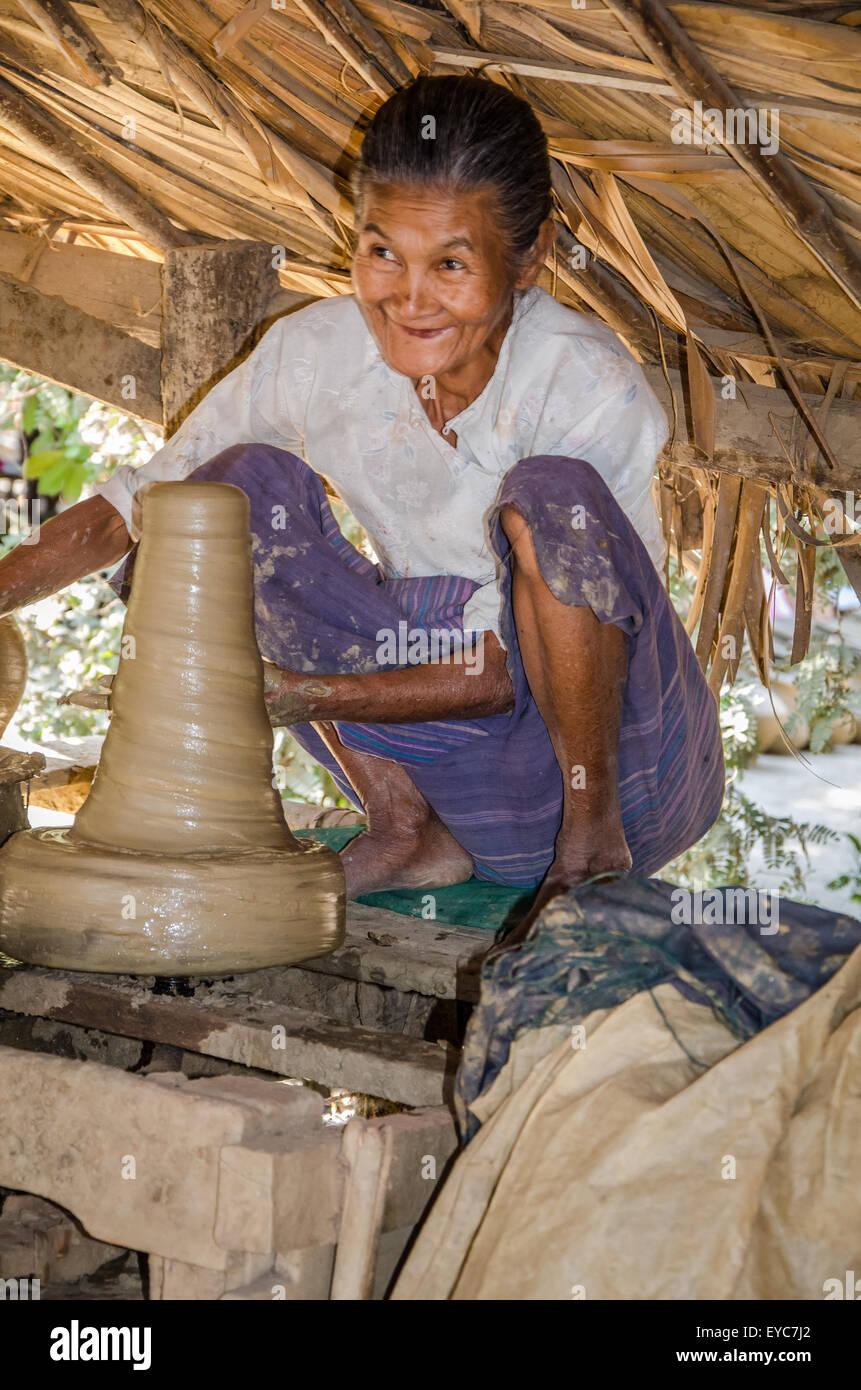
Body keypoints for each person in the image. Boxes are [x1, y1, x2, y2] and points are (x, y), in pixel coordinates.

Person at [0, 76, 723, 948]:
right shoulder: (320, 352)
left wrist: (299, 697)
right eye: (383, 253)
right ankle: (406, 828)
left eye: (450, 264)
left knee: (551, 497)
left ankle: (586, 856)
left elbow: (498, 672)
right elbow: (133, 508)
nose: (408, 298)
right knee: (222, 493)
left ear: (528, 259)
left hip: (617, 764)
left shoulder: (581, 383)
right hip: (456, 762)